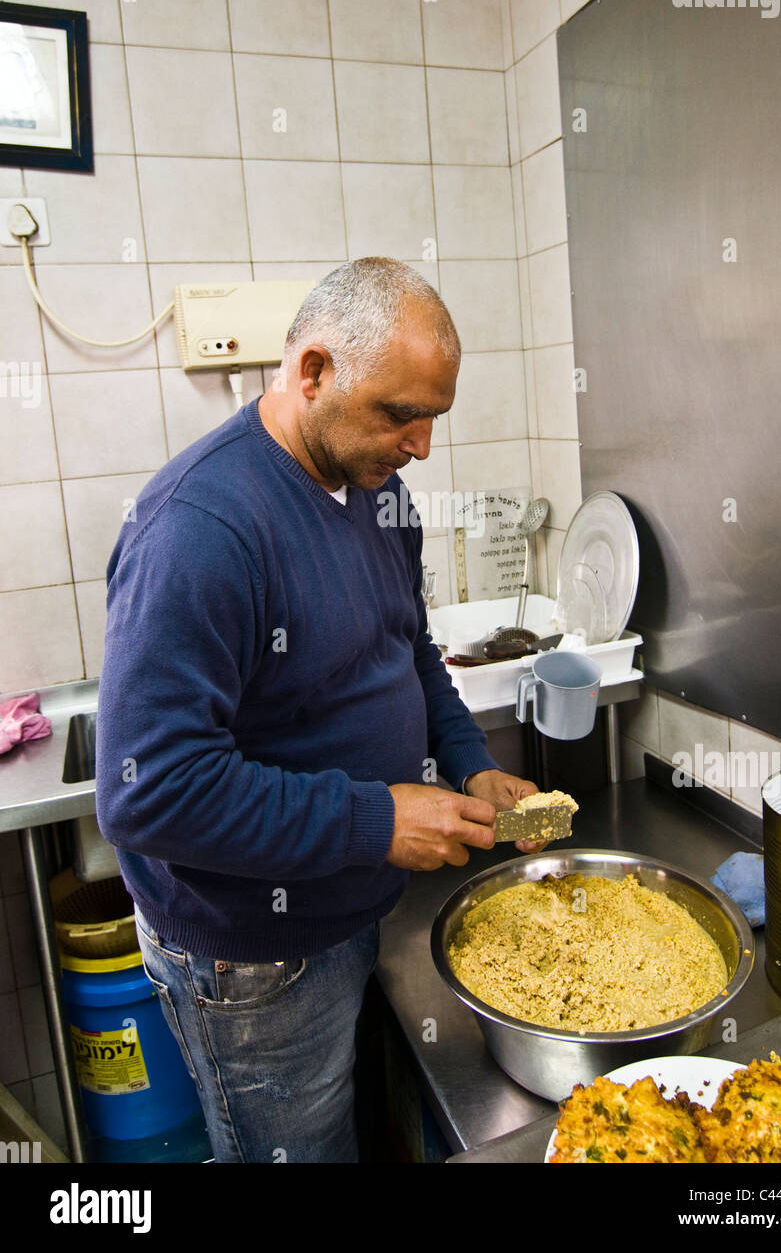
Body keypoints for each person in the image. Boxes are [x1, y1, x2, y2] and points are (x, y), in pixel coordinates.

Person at [95, 257, 542, 1164]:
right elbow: (149, 794)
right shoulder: (202, 528)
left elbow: (403, 645)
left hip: (349, 906)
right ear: (310, 372)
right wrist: (375, 817)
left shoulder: (381, 493)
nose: (419, 445)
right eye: (396, 413)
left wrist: (467, 759)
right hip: (253, 962)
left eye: (432, 417)